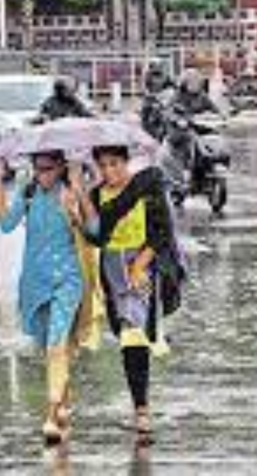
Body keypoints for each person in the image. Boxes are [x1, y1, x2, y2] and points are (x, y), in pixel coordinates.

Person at [68, 146, 177, 447]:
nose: (109, 172)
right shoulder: (97, 194)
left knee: (132, 333)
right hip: (112, 274)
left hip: (141, 267)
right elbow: (97, 236)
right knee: (128, 332)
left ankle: (141, 410)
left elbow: (163, 231)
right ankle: (140, 404)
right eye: (102, 166)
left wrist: (141, 264)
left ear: (126, 162)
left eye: (115, 164)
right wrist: (78, 198)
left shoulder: (146, 186)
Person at [0, 152, 88, 446]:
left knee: (56, 344)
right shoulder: (28, 193)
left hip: (67, 280)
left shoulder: (71, 192)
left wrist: (77, 208)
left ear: (61, 167)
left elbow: (93, 232)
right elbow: (5, 225)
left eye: (48, 169)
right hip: (35, 283)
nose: (42, 174)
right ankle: (64, 401)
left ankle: (52, 414)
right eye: (37, 168)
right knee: (49, 347)